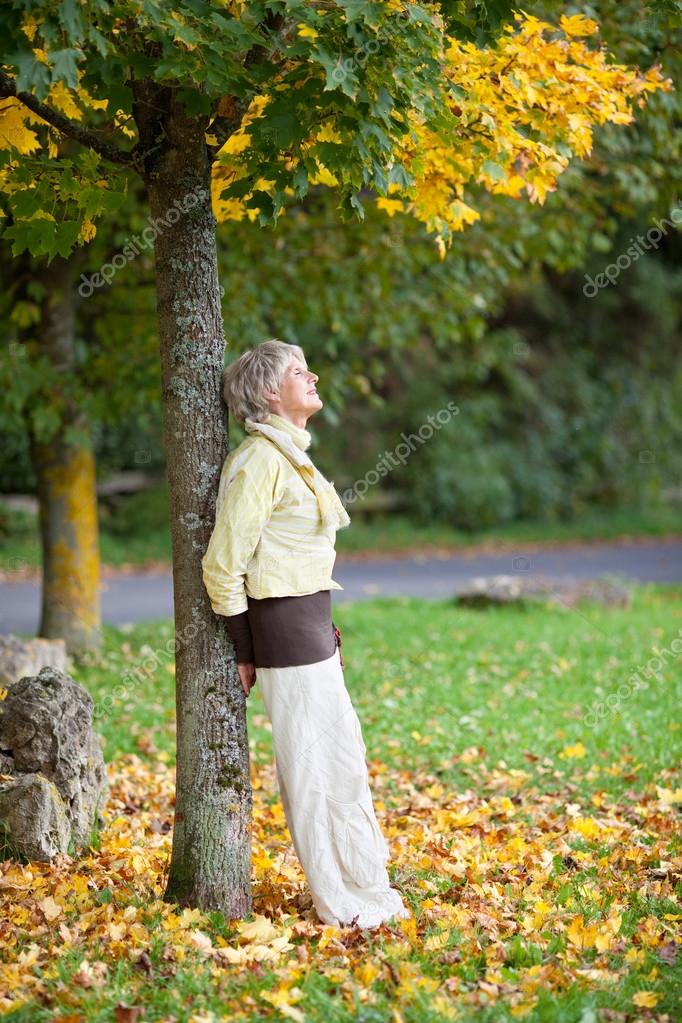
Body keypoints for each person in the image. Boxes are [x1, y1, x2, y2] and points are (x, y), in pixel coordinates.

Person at [201, 338, 410, 930]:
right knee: (314, 774)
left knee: (344, 765)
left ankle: (365, 886)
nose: (313, 376)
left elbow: (298, 559)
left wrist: (328, 633)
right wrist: (246, 650)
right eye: (299, 371)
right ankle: (337, 901)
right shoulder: (260, 461)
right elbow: (223, 564)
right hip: (283, 641)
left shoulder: (291, 454)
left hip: (313, 635)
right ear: (270, 392)